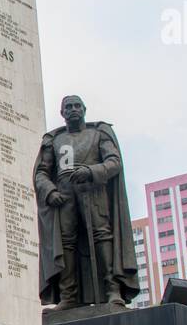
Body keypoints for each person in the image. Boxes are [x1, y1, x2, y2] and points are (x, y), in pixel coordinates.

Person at [34, 95, 138, 309]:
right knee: (66, 244)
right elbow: (42, 173)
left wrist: (91, 171)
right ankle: (68, 296)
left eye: (77, 106)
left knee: (103, 237)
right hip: (64, 198)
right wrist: (50, 191)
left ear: (84, 109)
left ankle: (112, 290)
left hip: (93, 192)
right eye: (68, 107)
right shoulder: (54, 140)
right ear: (62, 113)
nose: (73, 109)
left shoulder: (98, 134)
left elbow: (114, 162)